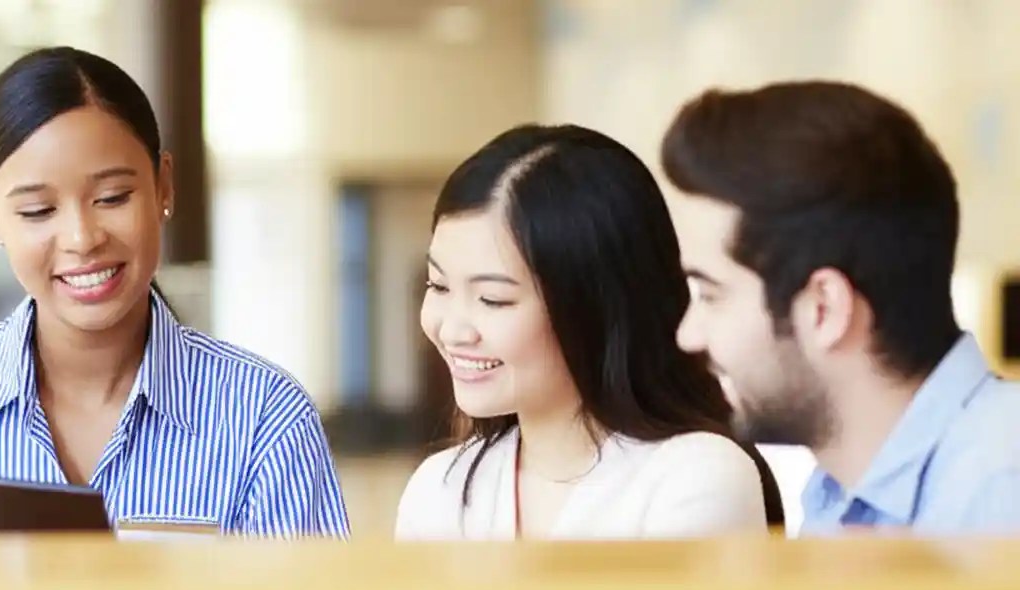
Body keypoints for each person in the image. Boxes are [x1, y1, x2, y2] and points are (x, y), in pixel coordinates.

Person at [0, 47, 349, 542]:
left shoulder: (264, 420)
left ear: (163, 185)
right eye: (38, 211)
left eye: (112, 197)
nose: (82, 238)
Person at [663, 80, 1020, 534]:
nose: (687, 335)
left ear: (824, 309)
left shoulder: (999, 493)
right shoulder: (837, 492)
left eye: (711, 295)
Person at [394, 124, 782, 540]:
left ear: (594, 303)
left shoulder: (696, 477)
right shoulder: (439, 489)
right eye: (439, 286)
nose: (452, 329)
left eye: (493, 299)